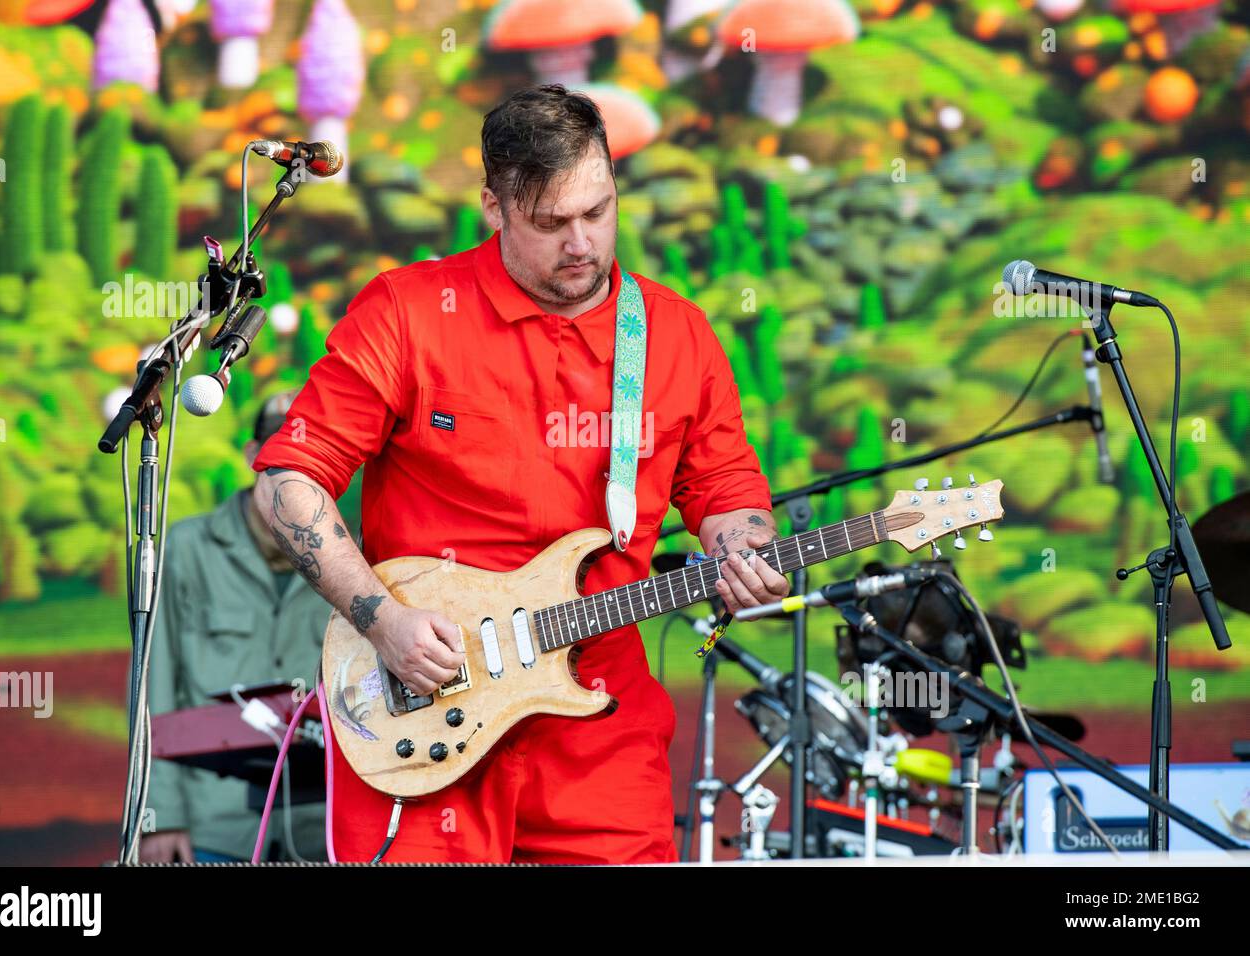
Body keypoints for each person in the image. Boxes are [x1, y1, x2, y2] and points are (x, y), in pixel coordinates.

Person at [251, 85, 790, 864]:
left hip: (599, 724)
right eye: (550, 223)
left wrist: (747, 549)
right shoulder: (409, 310)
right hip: (426, 707)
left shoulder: (676, 335)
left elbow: (726, 491)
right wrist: (383, 621)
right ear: (493, 206)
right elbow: (288, 480)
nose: (582, 244)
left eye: (598, 212)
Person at [140, 391, 332, 864]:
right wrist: (159, 815)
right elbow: (152, 686)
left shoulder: (353, 557)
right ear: (254, 456)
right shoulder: (186, 548)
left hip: (322, 824)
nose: (297, 482)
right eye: (285, 460)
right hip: (212, 826)